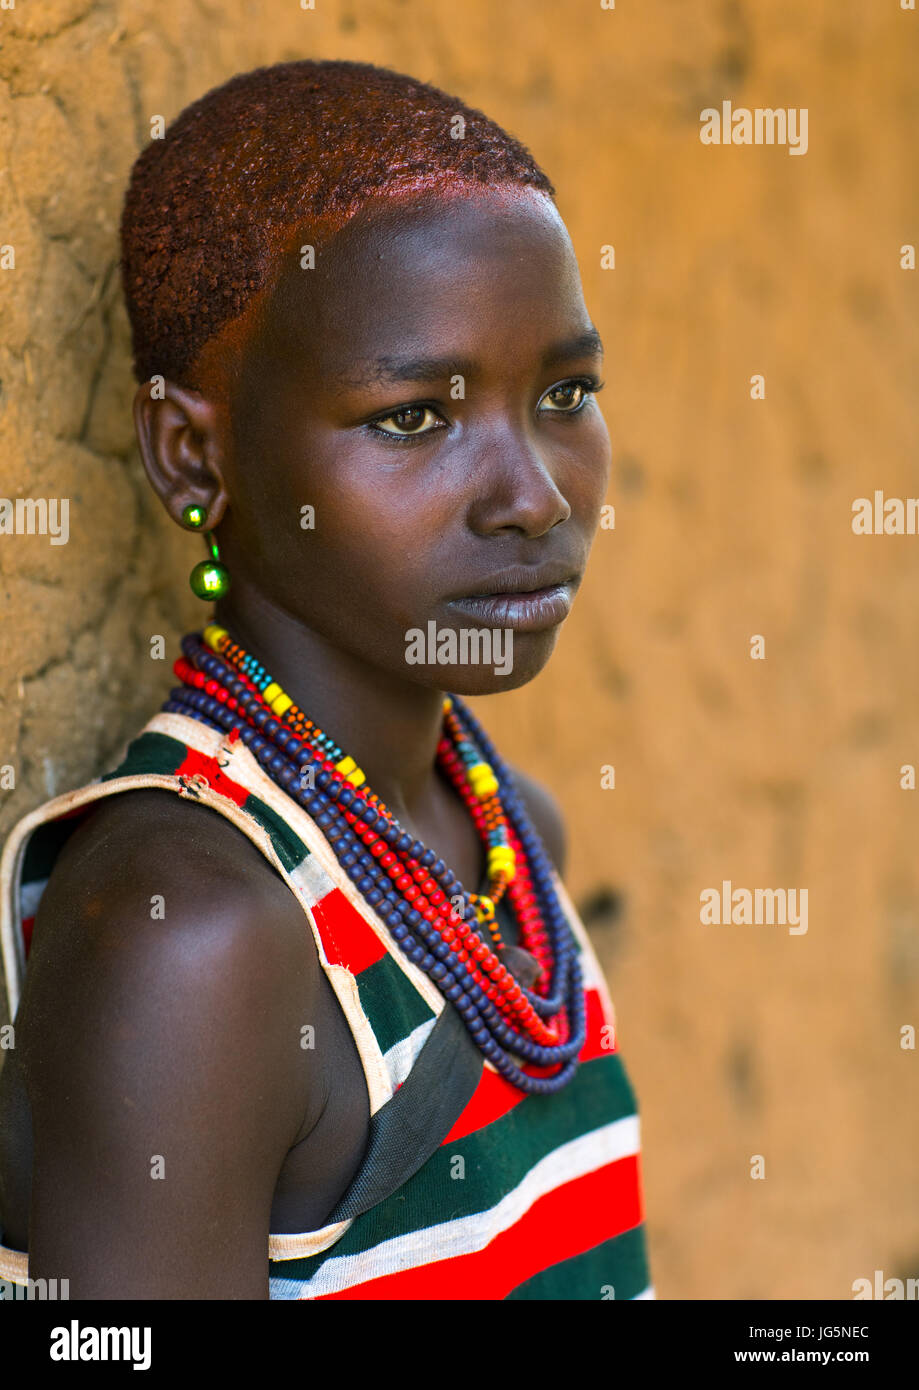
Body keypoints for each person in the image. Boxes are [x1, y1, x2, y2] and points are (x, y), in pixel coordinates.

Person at [0, 58, 652, 1300]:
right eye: (413, 416)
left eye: (566, 393)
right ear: (194, 453)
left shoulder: (512, 851)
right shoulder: (195, 934)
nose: (533, 496)